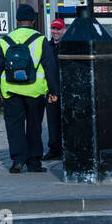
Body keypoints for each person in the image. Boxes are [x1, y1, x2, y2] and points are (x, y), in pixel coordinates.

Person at [0, 4, 59, 173]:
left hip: (11, 90)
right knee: (34, 127)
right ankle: (34, 163)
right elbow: (50, 67)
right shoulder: (40, 39)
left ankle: (17, 160)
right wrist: (53, 91)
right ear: (33, 22)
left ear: (17, 21)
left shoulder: (5, 40)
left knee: (14, 126)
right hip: (34, 91)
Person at [44, 18, 65, 160]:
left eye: (58, 29)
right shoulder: (47, 46)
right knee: (52, 120)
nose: (55, 32)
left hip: (65, 88)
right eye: (53, 29)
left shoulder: (68, 45)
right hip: (51, 88)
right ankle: (54, 149)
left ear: (64, 30)